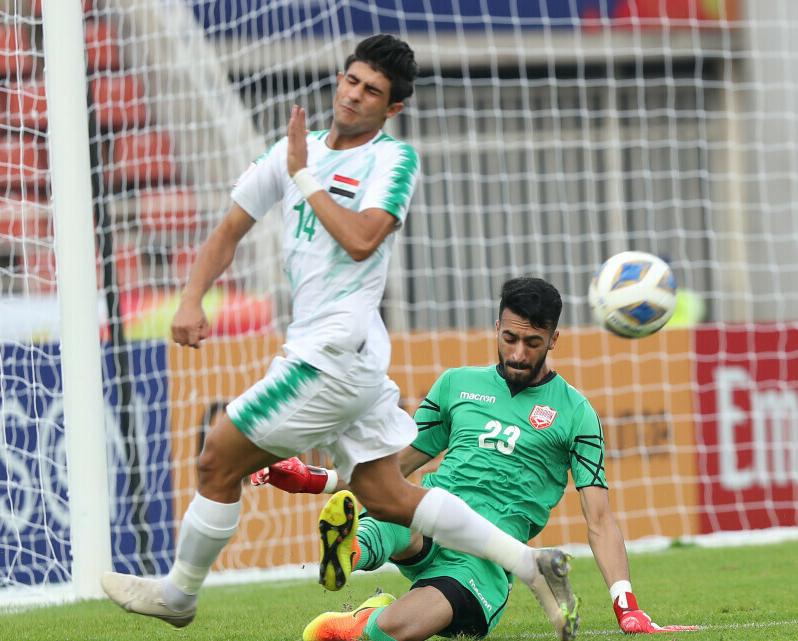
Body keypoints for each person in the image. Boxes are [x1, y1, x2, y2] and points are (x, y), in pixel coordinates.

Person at [100, 35, 579, 641]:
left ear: (392, 108)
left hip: (333, 354)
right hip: (341, 355)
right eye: (351, 80)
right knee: (386, 494)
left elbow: (360, 240)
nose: (354, 95)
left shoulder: (390, 161)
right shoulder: (291, 152)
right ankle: (526, 562)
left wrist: (304, 176)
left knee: (215, 459)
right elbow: (229, 227)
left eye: (372, 90)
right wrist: (192, 296)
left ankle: (178, 595)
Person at [253, 278, 699, 640]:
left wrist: (627, 607)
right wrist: (315, 479)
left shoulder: (577, 413)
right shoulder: (456, 385)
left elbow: (600, 521)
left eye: (532, 341)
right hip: (429, 510)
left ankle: (366, 620)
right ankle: (352, 548)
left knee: (396, 631)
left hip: (484, 557)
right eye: (509, 338)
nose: (518, 353)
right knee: (394, 508)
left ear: (554, 338)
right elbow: (394, 470)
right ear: (497, 328)